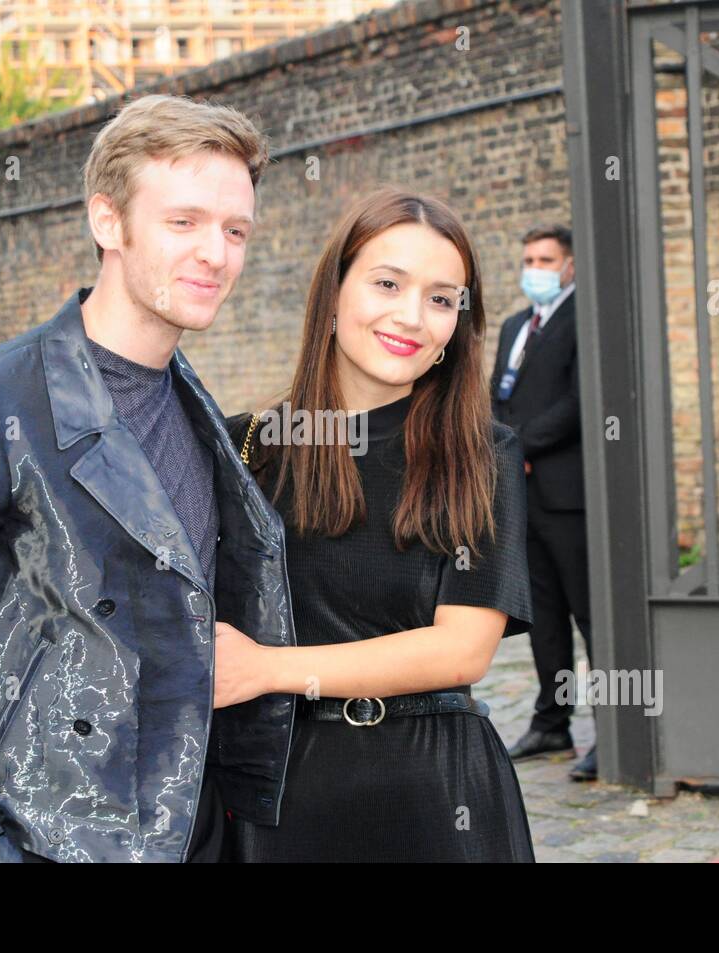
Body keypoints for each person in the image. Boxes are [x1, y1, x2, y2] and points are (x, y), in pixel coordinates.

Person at [0, 93, 298, 862]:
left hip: (193, 835)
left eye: (235, 231)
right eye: (183, 222)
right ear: (107, 222)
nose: (216, 254)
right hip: (49, 839)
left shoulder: (198, 410)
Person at [214, 187, 536, 862]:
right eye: (387, 282)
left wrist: (267, 668)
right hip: (279, 799)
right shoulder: (244, 446)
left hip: (435, 798)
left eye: (442, 298)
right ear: (333, 294)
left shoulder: (483, 453)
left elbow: (461, 650)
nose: (411, 316)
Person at [490, 223, 597, 782]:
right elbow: (495, 397)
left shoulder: (584, 320)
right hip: (522, 494)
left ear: (570, 265)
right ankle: (552, 720)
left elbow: (581, 403)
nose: (534, 267)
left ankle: (613, 729)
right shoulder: (514, 326)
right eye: (528, 256)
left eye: (546, 258)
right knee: (544, 616)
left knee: (589, 614)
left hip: (568, 496)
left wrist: (518, 444)